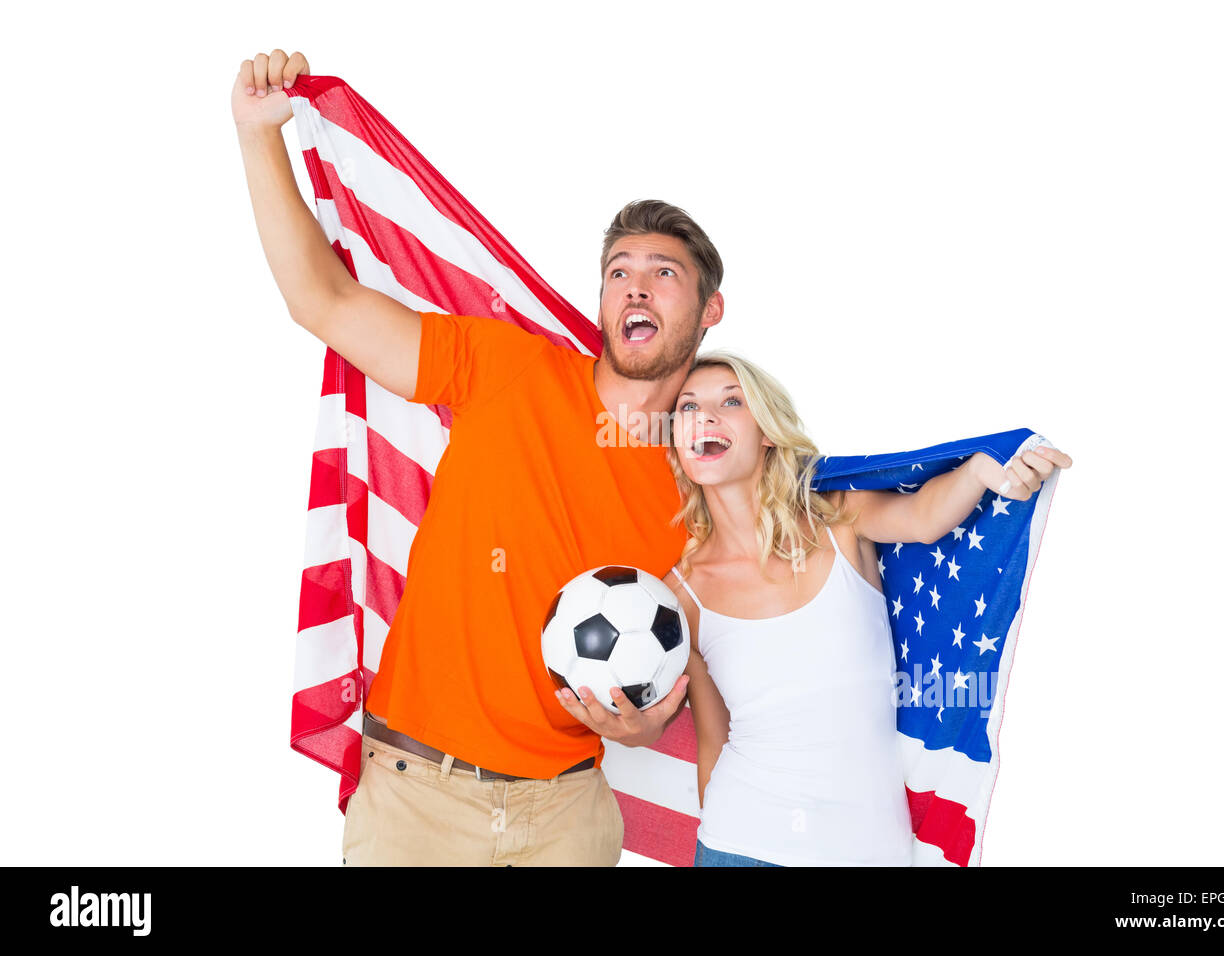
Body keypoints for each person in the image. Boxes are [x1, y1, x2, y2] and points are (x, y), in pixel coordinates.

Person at [231, 49, 728, 865]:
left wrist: (650, 721)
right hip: (415, 801)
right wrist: (259, 139)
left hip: (568, 816)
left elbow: (693, 661)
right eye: (618, 272)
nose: (635, 287)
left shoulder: (706, 481)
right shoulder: (510, 369)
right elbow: (323, 301)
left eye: (663, 273)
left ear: (710, 308)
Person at [648, 352, 1072, 866]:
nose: (705, 417)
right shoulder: (680, 594)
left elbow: (921, 518)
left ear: (767, 432)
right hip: (741, 843)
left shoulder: (836, 519)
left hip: (870, 849)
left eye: (731, 401)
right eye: (689, 407)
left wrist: (982, 469)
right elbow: (712, 741)